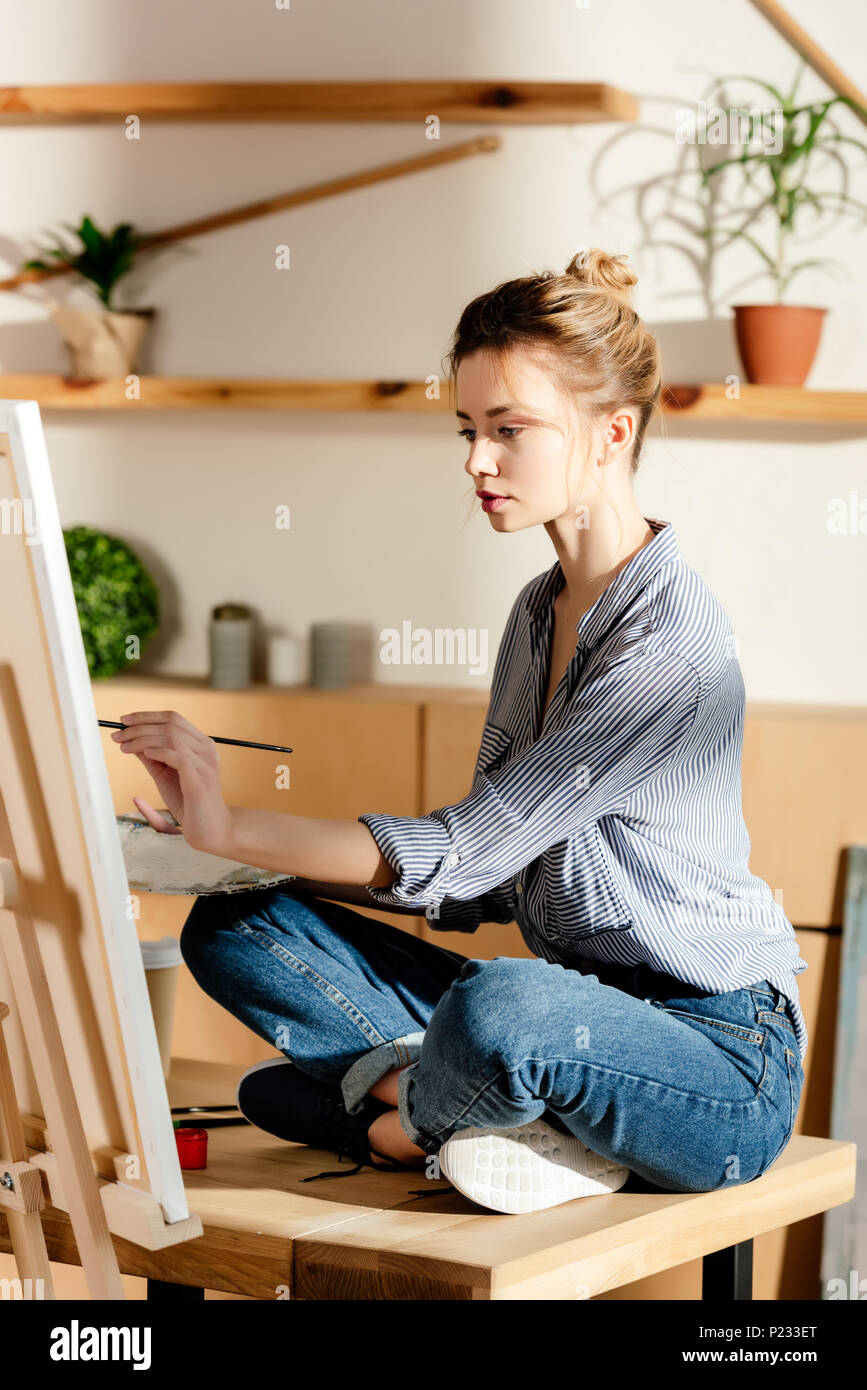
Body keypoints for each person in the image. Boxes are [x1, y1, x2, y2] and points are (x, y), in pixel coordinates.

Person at [116, 248, 807, 1216]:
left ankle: (410, 1118)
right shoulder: (540, 608)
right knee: (236, 924)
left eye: (510, 430)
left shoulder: (667, 652)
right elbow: (483, 876)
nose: (477, 461)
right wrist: (217, 853)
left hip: (715, 1056)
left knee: (502, 1008)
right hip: (573, 1013)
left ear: (612, 432)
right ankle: (484, 1114)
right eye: (469, 429)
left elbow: (462, 847)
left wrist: (233, 825)